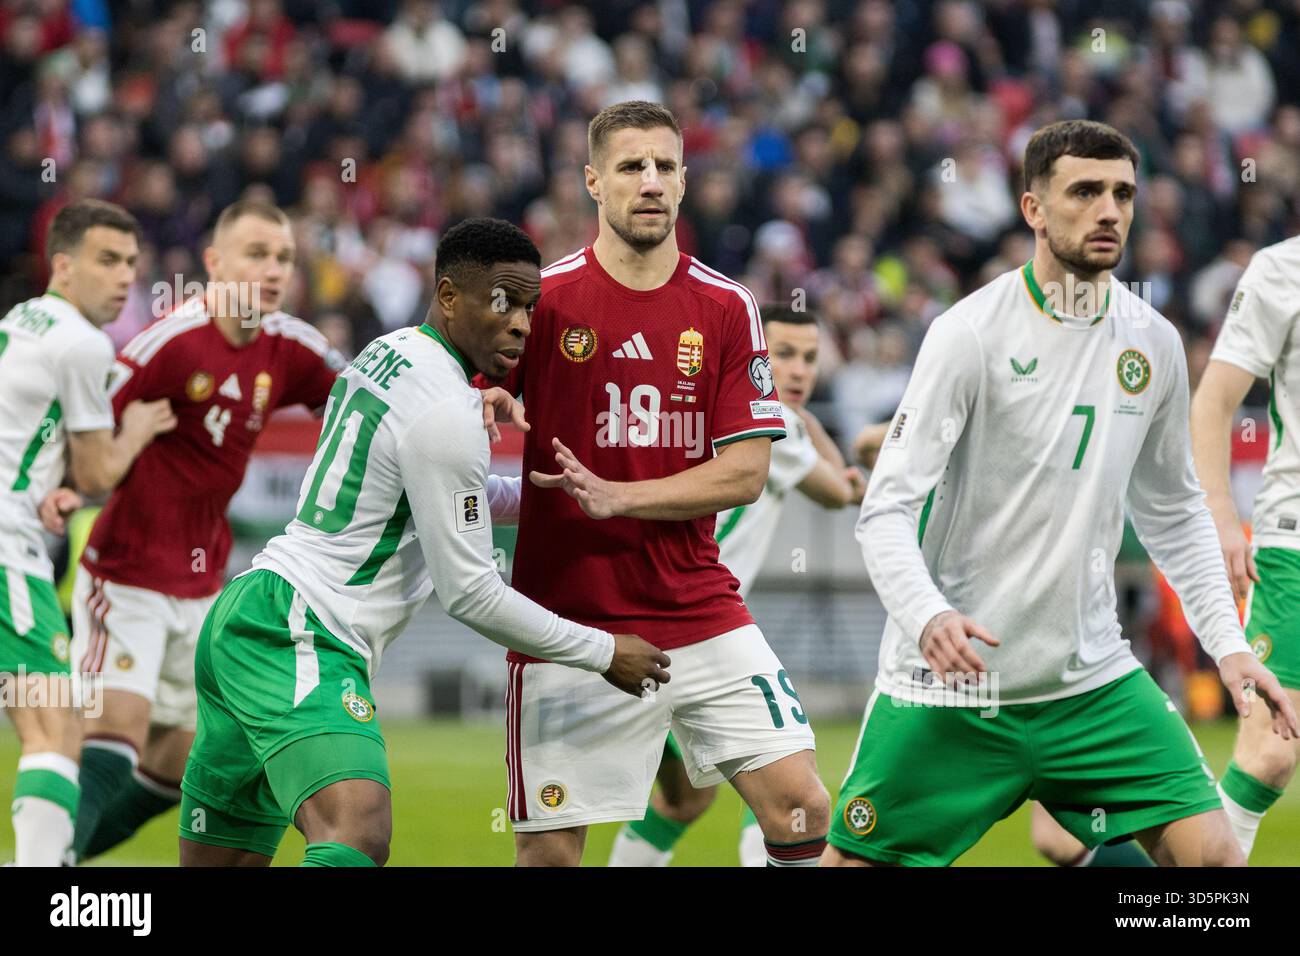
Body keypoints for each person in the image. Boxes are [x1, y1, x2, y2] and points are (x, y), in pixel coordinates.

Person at [823, 119, 1297, 868]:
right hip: (954, 693)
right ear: (1034, 209)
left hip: (1089, 682)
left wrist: (1229, 648)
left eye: (1122, 193)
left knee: (1213, 869)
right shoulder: (968, 333)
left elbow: (1173, 513)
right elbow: (884, 511)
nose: (1109, 210)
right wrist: (929, 615)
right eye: (1084, 191)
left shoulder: (1153, 343)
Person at [177, 217, 668, 866]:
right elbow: (471, 594)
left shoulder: (395, 349)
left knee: (230, 860)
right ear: (448, 296)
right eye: (503, 302)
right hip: (301, 633)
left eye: (529, 306)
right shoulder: (447, 410)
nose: (521, 323)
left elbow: (428, 495)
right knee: (356, 830)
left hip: (252, 613)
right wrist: (604, 652)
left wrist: (553, 495)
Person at [489, 101, 830, 868]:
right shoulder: (542, 301)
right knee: (549, 855)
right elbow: (455, 392)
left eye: (666, 167)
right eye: (631, 167)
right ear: (593, 184)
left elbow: (746, 471)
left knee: (804, 807)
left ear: (684, 181)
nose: (650, 182)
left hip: (699, 606)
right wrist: (483, 394)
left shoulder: (725, 305)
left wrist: (622, 495)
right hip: (570, 623)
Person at [65, 200, 345, 862]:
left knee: (173, 766)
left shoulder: (291, 345)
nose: (273, 270)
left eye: (283, 258)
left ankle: (52, 858)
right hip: (126, 572)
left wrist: (473, 390)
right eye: (255, 254)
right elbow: (86, 441)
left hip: (202, 584)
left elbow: (368, 398)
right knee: (118, 732)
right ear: (214, 263)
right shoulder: (170, 340)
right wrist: (111, 448)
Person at [608, 305, 861, 867]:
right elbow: (839, 490)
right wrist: (811, 423)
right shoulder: (779, 425)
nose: (797, 370)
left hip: (641, 619)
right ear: (753, 357)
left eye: (810, 358)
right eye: (783, 355)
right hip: (690, 629)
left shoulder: (712, 411)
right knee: (782, 776)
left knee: (685, 800)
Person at [0, 199, 174, 865]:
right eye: (107, 261)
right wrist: (133, 432)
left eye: (131, 262)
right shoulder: (81, 340)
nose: (124, 276)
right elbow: (99, 470)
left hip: (17, 527)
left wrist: (47, 489)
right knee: (54, 724)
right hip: (6, 551)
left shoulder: (23, 319)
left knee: (60, 719)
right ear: (64, 265)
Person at [1191, 233, 1300, 860]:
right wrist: (1222, 513)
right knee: (1270, 754)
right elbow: (1214, 403)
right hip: (1293, 546)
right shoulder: (1281, 269)